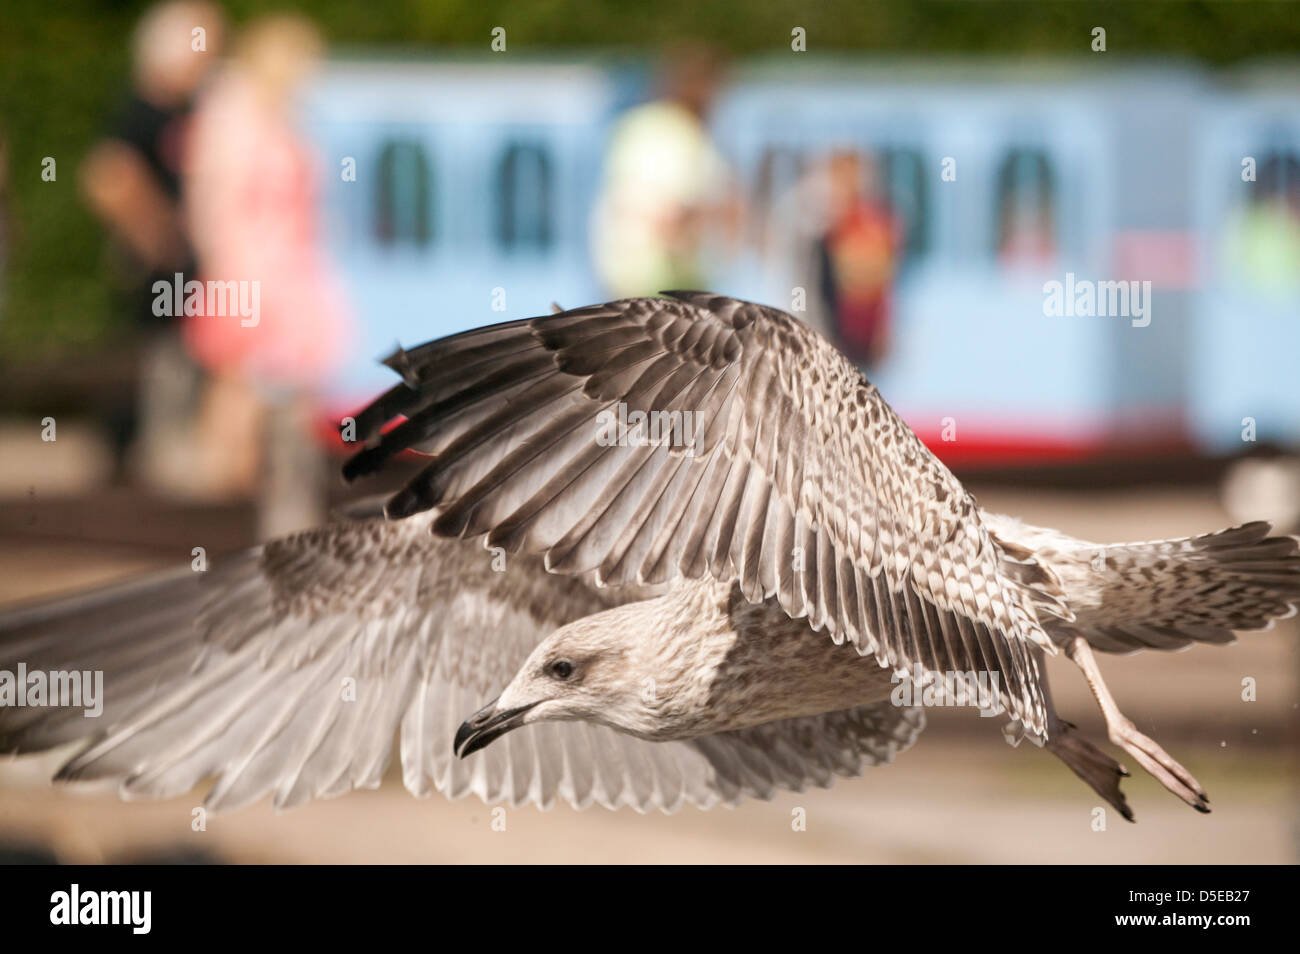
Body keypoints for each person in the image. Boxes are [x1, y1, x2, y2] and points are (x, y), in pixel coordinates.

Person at [182, 14, 352, 537]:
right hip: (253, 266)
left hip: (287, 268)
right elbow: (214, 204)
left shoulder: (282, 117)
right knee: (242, 387)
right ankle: (223, 514)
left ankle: (276, 508)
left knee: (286, 393)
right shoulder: (234, 115)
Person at [79, 0, 226, 484]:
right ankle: (157, 478)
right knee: (164, 371)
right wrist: (159, 231)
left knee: (176, 371)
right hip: (164, 276)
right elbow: (105, 176)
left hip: (178, 274)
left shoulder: (176, 109)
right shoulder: (142, 110)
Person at [591, 44, 740, 297]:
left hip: (622, 284)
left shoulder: (633, 126)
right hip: (665, 292)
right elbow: (672, 216)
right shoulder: (683, 133)